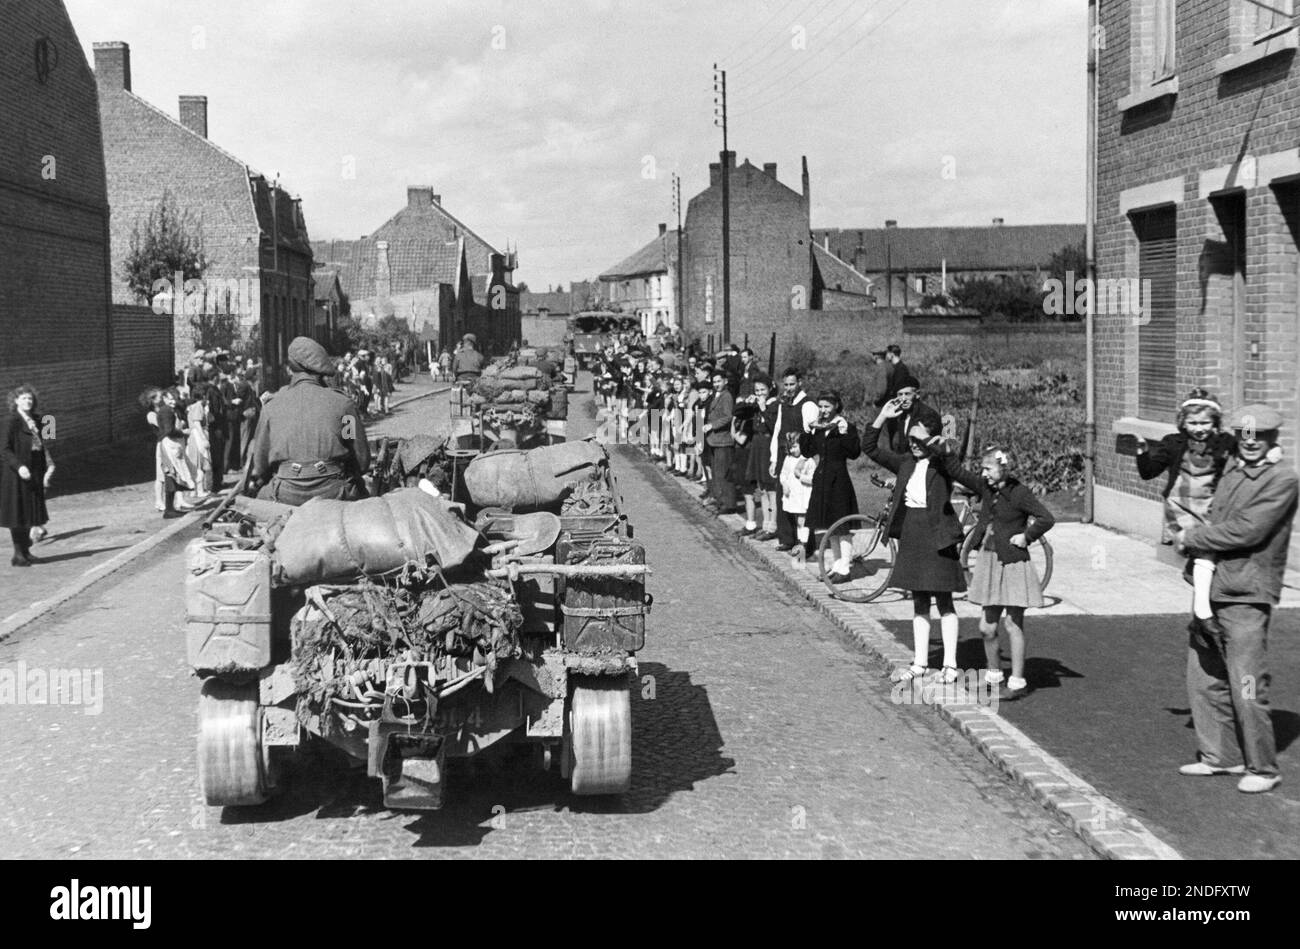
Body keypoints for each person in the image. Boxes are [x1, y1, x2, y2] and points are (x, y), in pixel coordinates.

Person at [1176, 403, 1298, 794]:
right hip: (1211, 590)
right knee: (1204, 679)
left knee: (1246, 683)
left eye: (1258, 437)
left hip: (1247, 594)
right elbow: (1215, 515)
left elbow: (1249, 531)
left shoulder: (1282, 479)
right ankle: (1218, 757)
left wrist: (1192, 538)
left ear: (1271, 439)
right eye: (1244, 436)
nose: (1249, 444)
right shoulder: (1232, 469)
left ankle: (1263, 768)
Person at [865, 399, 968, 683]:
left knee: (944, 600)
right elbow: (870, 449)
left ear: (931, 438)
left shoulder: (943, 463)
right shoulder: (906, 462)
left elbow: (954, 462)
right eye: (909, 437)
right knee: (919, 601)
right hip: (913, 531)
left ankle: (949, 665)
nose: (912, 442)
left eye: (917, 437)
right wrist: (882, 417)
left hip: (938, 535)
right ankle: (920, 663)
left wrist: (934, 443)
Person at [1135, 389, 1237, 637]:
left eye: (1205, 422)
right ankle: (1203, 614)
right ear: (1182, 422)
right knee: (1206, 550)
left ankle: (1195, 579)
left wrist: (1249, 424)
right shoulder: (1173, 443)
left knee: (1208, 555)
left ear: (1215, 422)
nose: (1199, 428)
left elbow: (1247, 441)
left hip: (1210, 506)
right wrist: (1141, 452)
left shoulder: (1224, 442)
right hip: (1181, 506)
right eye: (1192, 422)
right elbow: (1148, 472)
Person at [964, 445, 1056, 701]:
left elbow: (1046, 518)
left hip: (1014, 563)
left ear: (1003, 468)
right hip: (991, 561)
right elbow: (958, 473)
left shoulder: (1019, 493)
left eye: (988, 468)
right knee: (987, 627)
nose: (984, 473)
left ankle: (1017, 682)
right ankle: (994, 676)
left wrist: (1026, 537)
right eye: (982, 468)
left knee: (1013, 623)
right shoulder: (988, 489)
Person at [250, 336, 370, 505]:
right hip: (333, 493)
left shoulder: (272, 406)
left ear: (290, 368)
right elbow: (361, 460)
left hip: (285, 494)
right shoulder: (343, 405)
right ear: (322, 371)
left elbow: (260, 466)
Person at [799, 391, 861, 578]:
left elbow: (854, 452)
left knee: (842, 526)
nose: (823, 410)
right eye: (821, 406)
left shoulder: (845, 426)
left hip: (839, 480)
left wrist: (844, 433)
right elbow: (808, 451)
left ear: (836, 406)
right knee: (830, 526)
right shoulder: (819, 426)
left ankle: (846, 566)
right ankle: (837, 564)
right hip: (822, 479)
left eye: (827, 406)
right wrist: (807, 431)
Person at [1, 385, 55, 566]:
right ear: (15, 401)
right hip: (17, 474)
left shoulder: (38, 419)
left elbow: (48, 438)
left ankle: (26, 551)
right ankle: (18, 554)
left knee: (29, 512)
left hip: (35, 472)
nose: (27, 402)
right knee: (18, 513)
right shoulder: (11, 421)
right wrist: (19, 466)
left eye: (30, 399)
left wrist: (48, 465)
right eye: (23, 398)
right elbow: (5, 449)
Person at [769, 369, 820, 552]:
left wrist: (805, 459)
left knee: (803, 504)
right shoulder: (784, 403)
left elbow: (813, 435)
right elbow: (777, 430)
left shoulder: (808, 405)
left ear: (800, 383)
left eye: (792, 384)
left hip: (802, 459)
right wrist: (774, 459)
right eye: (786, 384)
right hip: (786, 456)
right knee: (785, 496)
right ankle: (787, 539)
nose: (789, 388)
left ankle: (806, 546)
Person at [734, 376, 778, 537]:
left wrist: (763, 408)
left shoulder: (774, 404)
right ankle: (765, 524)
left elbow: (773, 426)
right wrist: (747, 402)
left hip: (768, 445)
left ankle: (772, 525)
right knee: (763, 488)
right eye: (757, 390)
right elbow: (737, 412)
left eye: (763, 390)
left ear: (770, 389)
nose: (760, 394)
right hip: (757, 445)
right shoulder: (757, 405)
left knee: (771, 488)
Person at [701, 371, 735, 513]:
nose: (716, 385)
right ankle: (719, 500)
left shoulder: (726, 396)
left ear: (725, 381)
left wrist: (712, 425)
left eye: (719, 381)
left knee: (723, 473)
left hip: (722, 440)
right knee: (716, 472)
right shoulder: (718, 395)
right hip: (714, 440)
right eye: (714, 382)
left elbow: (728, 416)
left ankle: (728, 503)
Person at [886, 374, 943, 455]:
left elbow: (929, 445)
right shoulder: (900, 415)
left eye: (907, 394)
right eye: (900, 394)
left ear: (917, 394)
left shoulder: (928, 415)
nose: (903, 399)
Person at [779, 432, 815, 550]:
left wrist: (801, 476)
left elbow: (814, 479)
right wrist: (784, 484)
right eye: (790, 448)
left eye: (795, 447)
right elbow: (783, 473)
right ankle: (800, 543)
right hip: (792, 495)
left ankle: (803, 546)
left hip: (803, 495)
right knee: (797, 521)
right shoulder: (788, 459)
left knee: (802, 521)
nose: (792, 450)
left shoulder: (808, 461)